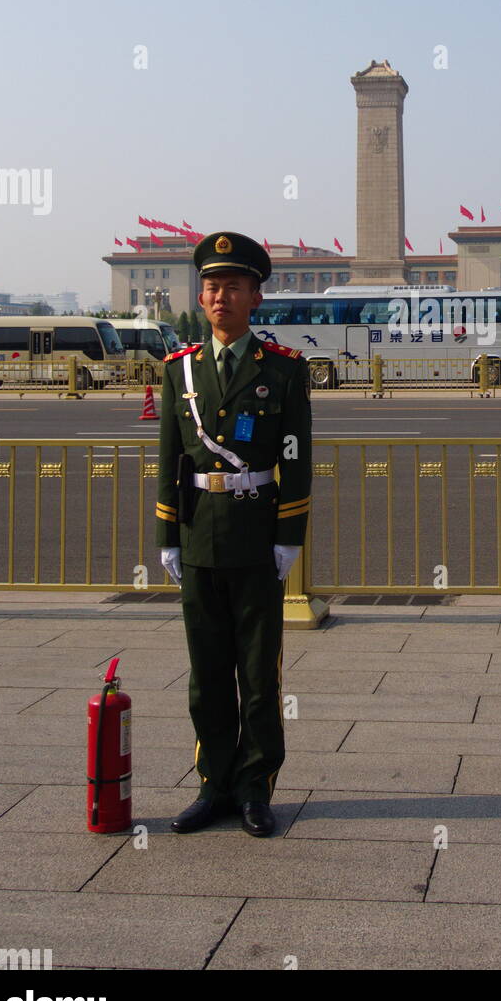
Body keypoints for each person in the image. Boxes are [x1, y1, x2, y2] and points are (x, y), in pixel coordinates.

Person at [156, 231, 312, 837]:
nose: (220, 296)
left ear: (256, 298)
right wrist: (167, 534)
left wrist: (289, 533)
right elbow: (169, 455)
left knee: (256, 671)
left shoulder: (282, 370)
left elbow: (295, 455)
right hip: (198, 535)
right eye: (212, 286)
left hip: (254, 535)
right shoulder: (180, 370)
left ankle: (255, 787)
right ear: (202, 295)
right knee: (207, 673)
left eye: (233, 286)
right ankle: (212, 784)